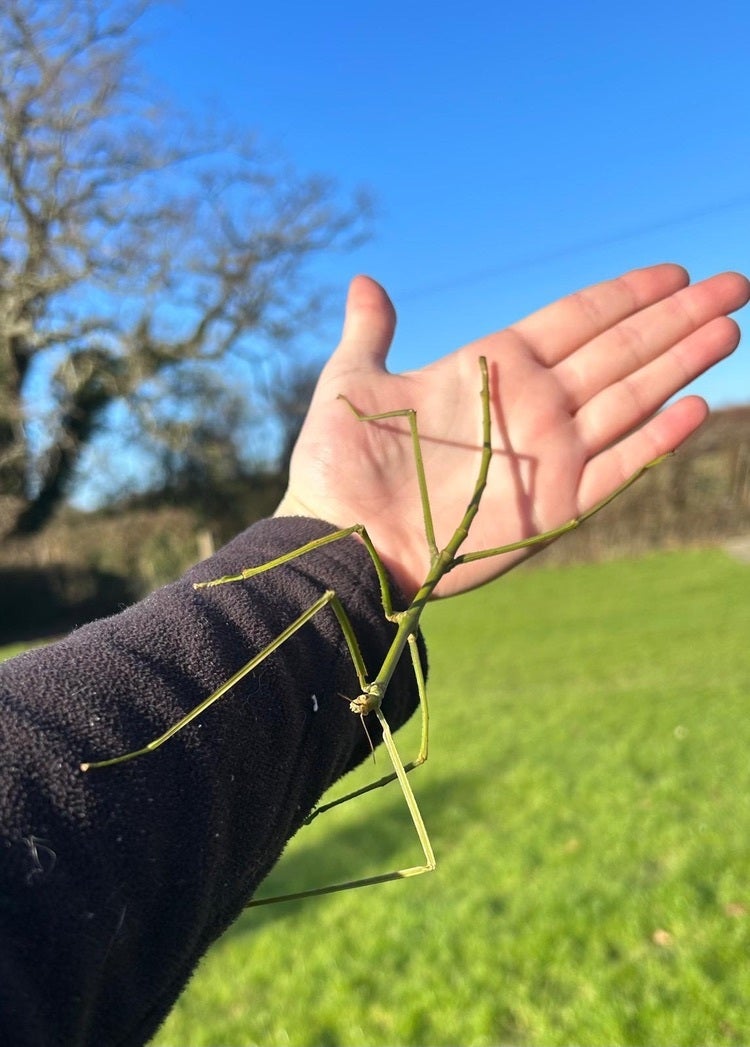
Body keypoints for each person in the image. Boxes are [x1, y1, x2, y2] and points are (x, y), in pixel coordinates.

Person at [1, 265, 748, 1046]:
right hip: (339, 638)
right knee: (392, 729)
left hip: (350, 647)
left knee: (414, 822)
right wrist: (316, 538)